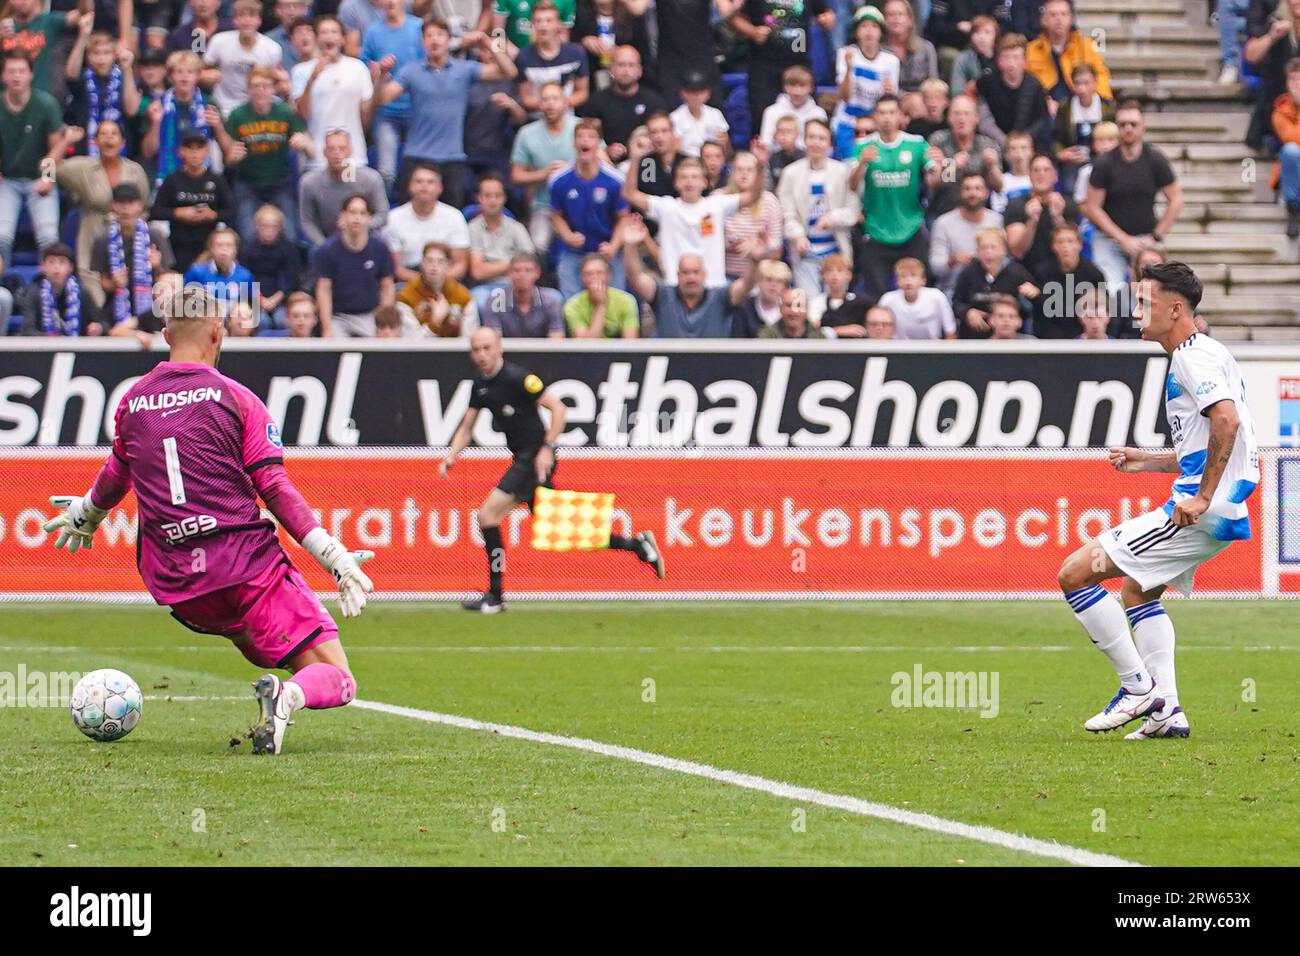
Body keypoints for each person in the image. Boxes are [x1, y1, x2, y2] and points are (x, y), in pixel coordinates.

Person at [42, 284, 375, 756]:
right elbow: (275, 488)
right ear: (218, 332)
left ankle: (274, 673)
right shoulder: (235, 397)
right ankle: (289, 698)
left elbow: (117, 474)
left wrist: (86, 514)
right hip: (244, 568)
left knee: (263, 645)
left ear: (164, 334)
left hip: (179, 585)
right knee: (337, 678)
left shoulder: (132, 401)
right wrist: (332, 555)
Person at [1056, 261, 1259, 740]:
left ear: (1175, 308)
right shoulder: (1205, 352)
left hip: (1200, 511)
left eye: (1145, 303)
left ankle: (1138, 689)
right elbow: (1207, 442)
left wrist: (1204, 495)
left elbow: (1226, 422)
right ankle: (1168, 714)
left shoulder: (1192, 358)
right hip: (1218, 508)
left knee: (1075, 574)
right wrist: (1148, 460)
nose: (1137, 312)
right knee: (1136, 591)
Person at [439, 325, 664, 613]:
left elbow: (558, 409)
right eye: (476, 349)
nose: (481, 355)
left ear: (499, 348)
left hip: (533, 459)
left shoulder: (518, 378)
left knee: (487, 515)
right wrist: (452, 455)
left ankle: (495, 596)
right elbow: (467, 425)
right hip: (522, 459)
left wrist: (548, 447)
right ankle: (637, 545)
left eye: (487, 348)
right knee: (563, 527)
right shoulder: (480, 385)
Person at [375, 17, 518, 206]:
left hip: (452, 158)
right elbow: (383, 98)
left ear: (449, 40)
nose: (434, 40)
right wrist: (382, 75)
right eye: (429, 36)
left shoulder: (464, 69)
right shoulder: (411, 71)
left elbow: (509, 71)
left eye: (440, 35)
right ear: (423, 42)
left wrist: (488, 44)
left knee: (451, 219)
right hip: (417, 156)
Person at [623, 141, 760, 289]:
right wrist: (636, 158)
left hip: (713, 287)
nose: (689, 181)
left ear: (704, 183)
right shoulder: (666, 207)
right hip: (675, 288)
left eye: (695, 177)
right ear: (676, 183)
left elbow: (753, 196)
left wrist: (761, 165)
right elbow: (629, 194)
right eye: (684, 177)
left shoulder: (717, 204)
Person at [1082, 100, 1182, 299]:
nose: (1128, 128)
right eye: (1123, 124)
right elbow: (1093, 207)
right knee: (1112, 292)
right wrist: (1123, 239)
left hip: (1147, 238)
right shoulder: (1104, 163)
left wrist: (1156, 236)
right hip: (1109, 239)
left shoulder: (1154, 159)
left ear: (1142, 126)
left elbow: (1176, 199)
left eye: (1133, 124)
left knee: (1158, 292)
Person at [55, 119, 151, 308]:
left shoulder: (135, 170)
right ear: (95, 142)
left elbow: (145, 207)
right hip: (92, 234)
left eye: (114, 134)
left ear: (123, 142)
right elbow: (47, 166)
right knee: (96, 297)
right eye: (103, 134)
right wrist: (48, 181)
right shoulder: (83, 167)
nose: (108, 139)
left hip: (129, 243)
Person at [849, 94, 937, 299]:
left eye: (891, 112)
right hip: (877, 231)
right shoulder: (863, 146)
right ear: (875, 117)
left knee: (921, 292)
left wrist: (942, 167)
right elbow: (852, 186)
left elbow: (936, 180)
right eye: (882, 113)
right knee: (876, 296)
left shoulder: (916, 144)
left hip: (911, 229)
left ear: (900, 116)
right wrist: (862, 164)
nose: (887, 117)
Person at [621, 213, 764, 338]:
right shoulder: (662, 295)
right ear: (677, 275)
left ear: (704, 275)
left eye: (696, 272)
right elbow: (636, 278)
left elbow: (746, 285)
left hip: (714, 367)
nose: (691, 277)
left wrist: (756, 260)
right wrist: (630, 246)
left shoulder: (721, 297)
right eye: (685, 272)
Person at [217, 65, 314, 241]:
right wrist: (233, 157)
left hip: (280, 182)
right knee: (247, 235)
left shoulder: (285, 113)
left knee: (290, 234)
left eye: (265, 86)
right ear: (248, 89)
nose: (260, 91)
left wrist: (305, 144)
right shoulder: (237, 115)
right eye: (255, 86)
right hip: (248, 183)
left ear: (273, 89)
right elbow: (228, 159)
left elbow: (311, 149)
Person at [549, 118, 628, 299]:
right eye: (580, 137)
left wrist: (614, 246)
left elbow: (623, 217)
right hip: (574, 252)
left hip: (606, 251)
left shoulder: (615, 180)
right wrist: (568, 236)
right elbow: (556, 215)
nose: (585, 141)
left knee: (617, 300)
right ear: (573, 143)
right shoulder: (559, 180)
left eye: (590, 137)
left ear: (598, 143)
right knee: (569, 302)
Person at [0, 51, 65, 270]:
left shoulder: (46, 104)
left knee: (48, 236)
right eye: (11, 71)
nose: (16, 76)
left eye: (21, 71)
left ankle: (44, 289)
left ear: (31, 75)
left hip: (39, 177)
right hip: (6, 179)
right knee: (1, 235)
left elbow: (55, 148)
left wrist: (48, 178)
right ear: (3, 76)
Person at [777, 119, 857, 293]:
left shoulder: (842, 171)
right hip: (806, 256)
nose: (816, 142)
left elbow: (853, 212)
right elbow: (786, 214)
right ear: (804, 140)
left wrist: (832, 218)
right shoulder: (790, 173)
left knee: (835, 307)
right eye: (811, 137)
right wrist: (797, 235)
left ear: (829, 144)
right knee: (811, 307)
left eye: (821, 138)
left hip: (837, 255)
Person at [730, 0, 834, 129]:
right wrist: (752, 31)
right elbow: (734, 17)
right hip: (764, 64)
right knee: (760, 118)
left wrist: (827, 19)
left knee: (807, 120)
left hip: (799, 64)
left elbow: (825, 13)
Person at [290, 15, 374, 173]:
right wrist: (313, 77)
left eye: (334, 32)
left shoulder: (357, 67)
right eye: (324, 32)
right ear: (316, 38)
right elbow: (302, 113)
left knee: (352, 197)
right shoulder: (301, 71)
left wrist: (379, 80)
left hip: (352, 156)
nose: (329, 36)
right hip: (317, 157)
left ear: (342, 39)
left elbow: (366, 114)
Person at [88, 183, 173, 336]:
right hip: (116, 308)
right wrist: (114, 283)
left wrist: (158, 266)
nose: (126, 208)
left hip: (152, 309)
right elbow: (103, 283)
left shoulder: (155, 235)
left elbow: (169, 280)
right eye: (121, 203)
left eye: (131, 203)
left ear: (140, 206)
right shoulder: (103, 239)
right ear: (113, 206)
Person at [311, 192, 397, 337]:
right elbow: (324, 290)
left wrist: (384, 322)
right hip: (339, 317)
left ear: (369, 217)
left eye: (362, 213)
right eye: (352, 212)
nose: (357, 218)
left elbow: (387, 286)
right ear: (342, 215)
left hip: (370, 315)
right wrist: (326, 328)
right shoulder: (327, 250)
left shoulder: (380, 248)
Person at [359, 0, 423, 192]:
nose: (390, 2)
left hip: (417, 109)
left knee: (420, 170)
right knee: (386, 172)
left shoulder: (419, 27)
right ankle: (383, 214)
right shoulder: (373, 31)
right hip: (386, 111)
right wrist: (377, 67)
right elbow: (365, 66)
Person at [152, 128, 235, 272]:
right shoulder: (172, 180)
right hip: (178, 244)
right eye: (189, 148)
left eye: (199, 148)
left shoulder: (216, 180)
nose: (195, 153)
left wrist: (213, 215)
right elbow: (156, 211)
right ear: (181, 151)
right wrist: (178, 213)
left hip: (208, 246)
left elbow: (231, 212)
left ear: (206, 151)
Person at [510, 81, 580, 252]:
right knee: (536, 248)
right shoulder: (526, 134)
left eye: (555, 98)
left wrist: (571, 171)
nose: (550, 104)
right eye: (545, 99)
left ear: (565, 102)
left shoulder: (581, 128)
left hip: (580, 202)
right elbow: (516, 176)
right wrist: (544, 174)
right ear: (539, 105)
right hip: (544, 204)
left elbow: (604, 164)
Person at [297, 129, 389, 246]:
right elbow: (306, 221)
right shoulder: (309, 183)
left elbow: (383, 215)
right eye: (331, 149)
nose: (337, 153)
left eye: (342, 148)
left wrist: (358, 224)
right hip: (327, 242)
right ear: (325, 152)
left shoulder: (370, 179)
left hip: (365, 240)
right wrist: (323, 245)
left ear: (350, 151)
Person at [831, 5, 900, 160]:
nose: (869, 31)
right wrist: (849, 69)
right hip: (847, 122)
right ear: (856, 31)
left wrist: (889, 93)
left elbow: (890, 102)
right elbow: (844, 96)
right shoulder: (846, 54)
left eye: (874, 26)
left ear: (881, 32)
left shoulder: (891, 61)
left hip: (875, 123)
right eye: (864, 26)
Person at [577, 45, 667, 163]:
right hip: (608, 164)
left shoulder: (654, 103)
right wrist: (606, 150)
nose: (626, 70)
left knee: (650, 169)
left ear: (640, 71)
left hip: (646, 163)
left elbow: (664, 138)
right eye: (621, 65)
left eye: (631, 65)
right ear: (611, 69)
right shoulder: (596, 101)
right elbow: (586, 137)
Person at [385, 164, 471, 285]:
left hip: (445, 281)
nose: (424, 186)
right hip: (408, 282)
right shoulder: (393, 218)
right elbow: (396, 268)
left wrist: (436, 281)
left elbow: (460, 265)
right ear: (410, 186)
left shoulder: (454, 217)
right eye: (419, 181)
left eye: (430, 182)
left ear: (440, 188)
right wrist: (425, 282)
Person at [1004, 151, 1080, 282]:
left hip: (1060, 273)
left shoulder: (1068, 205)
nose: (1041, 174)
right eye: (1036, 170)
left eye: (1046, 170)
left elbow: (1071, 250)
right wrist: (1031, 222)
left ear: (1055, 176)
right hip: (1026, 271)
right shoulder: (1015, 205)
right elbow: (1017, 251)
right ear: (1029, 175)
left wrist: (1058, 218)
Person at [201, 1, 285, 118]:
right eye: (241, 16)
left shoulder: (272, 48)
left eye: (251, 16)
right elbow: (201, 71)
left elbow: (277, 82)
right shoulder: (218, 41)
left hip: (259, 106)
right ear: (234, 20)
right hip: (225, 105)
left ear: (259, 20)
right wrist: (206, 76)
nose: (247, 21)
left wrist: (281, 84)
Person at [467, 172, 536, 314]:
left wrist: (490, 266)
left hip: (518, 286)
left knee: (554, 298)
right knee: (479, 302)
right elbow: (478, 272)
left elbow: (529, 267)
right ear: (479, 198)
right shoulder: (472, 228)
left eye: (497, 196)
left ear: (504, 198)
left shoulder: (517, 228)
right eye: (487, 196)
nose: (493, 201)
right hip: (485, 286)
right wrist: (512, 264)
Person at [952, 226, 1038, 337]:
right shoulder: (968, 272)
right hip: (974, 335)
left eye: (993, 247)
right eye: (983, 248)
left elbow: (1034, 302)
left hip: (1009, 336)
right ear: (977, 252)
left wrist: (1033, 292)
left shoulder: (1017, 273)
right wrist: (967, 313)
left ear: (1004, 250)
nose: (988, 252)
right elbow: (956, 302)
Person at [928, 169, 1002, 296]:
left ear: (986, 193)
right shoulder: (943, 223)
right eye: (967, 189)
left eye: (978, 188)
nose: (972, 193)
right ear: (960, 193)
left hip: (990, 289)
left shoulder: (996, 220)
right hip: (952, 289)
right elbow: (935, 268)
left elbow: (1005, 260)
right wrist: (953, 260)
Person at [1025, 0, 1112, 106]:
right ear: (1043, 20)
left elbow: (1101, 74)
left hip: (1080, 104)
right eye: (1053, 15)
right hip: (1046, 108)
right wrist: (1043, 102)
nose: (1058, 19)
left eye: (1063, 14)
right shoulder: (1031, 50)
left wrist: (1098, 99)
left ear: (1071, 19)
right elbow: (1027, 85)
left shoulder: (1086, 46)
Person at [977, 32, 1050, 152]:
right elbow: (985, 120)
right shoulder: (987, 83)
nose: (1011, 62)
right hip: (995, 143)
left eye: (1016, 57)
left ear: (1025, 62)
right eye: (1006, 57)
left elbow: (1041, 119)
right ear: (999, 61)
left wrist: (1023, 140)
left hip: (1027, 144)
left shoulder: (1034, 85)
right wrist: (1006, 142)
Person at [1031, 221, 1105, 339]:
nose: (1065, 246)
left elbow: (1103, 307)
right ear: (1053, 246)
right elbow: (1042, 312)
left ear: (1079, 245)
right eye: (1060, 242)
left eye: (1070, 241)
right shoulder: (1043, 272)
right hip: (1050, 334)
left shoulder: (1093, 274)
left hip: (1082, 334)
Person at [1050, 62, 1114, 197]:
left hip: (1102, 159)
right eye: (1077, 83)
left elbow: (1114, 134)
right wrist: (1061, 153)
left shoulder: (1107, 107)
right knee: (1069, 187)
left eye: (1086, 83)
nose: (1081, 89)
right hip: (1074, 160)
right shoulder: (1065, 107)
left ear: (1095, 83)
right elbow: (1057, 137)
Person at [515, 1, 589, 111]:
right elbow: (525, 96)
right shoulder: (523, 57)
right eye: (538, 21)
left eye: (549, 21)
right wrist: (546, 107)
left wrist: (561, 105)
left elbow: (583, 92)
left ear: (558, 24)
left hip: (567, 116)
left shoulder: (576, 53)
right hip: (536, 118)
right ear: (532, 25)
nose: (543, 26)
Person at [396, 241, 479, 337]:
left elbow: (469, 338)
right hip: (419, 351)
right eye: (429, 260)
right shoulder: (406, 297)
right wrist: (434, 324)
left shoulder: (463, 296)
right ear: (422, 263)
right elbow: (410, 342)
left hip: (455, 350)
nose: (434, 266)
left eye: (440, 261)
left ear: (448, 265)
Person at [244, 204, 304, 333]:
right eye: (264, 226)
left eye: (273, 227)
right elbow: (245, 279)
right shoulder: (248, 249)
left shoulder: (288, 249)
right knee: (262, 321)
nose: (268, 231)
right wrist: (261, 300)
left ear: (280, 228)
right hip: (254, 299)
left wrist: (275, 299)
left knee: (281, 320)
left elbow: (292, 279)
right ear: (257, 227)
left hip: (282, 299)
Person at [478, 252, 566, 338]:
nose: (522, 275)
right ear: (509, 273)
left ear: (537, 273)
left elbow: (556, 338)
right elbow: (492, 340)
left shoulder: (550, 300)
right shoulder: (496, 301)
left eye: (528, 270)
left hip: (543, 352)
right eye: (516, 270)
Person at [878, 256, 957, 339]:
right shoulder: (887, 300)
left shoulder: (937, 297)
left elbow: (950, 332)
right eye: (903, 276)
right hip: (898, 349)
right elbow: (878, 328)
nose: (908, 281)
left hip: (932, 349)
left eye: (913, 275)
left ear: (923, 280)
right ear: (897, 281)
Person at [563, 252, 640, 337]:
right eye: (589, 274)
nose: (594, 277)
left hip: (618, 350)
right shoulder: (572, 305)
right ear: (582, 278)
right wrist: (600, 305)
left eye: (599, 273)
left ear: (608, 275)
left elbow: (630, 342)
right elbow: (586, 346)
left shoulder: (626, 300)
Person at [756, 64, 828, 150]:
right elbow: (766, 144)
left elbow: (823, 145)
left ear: (811, 88)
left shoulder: (819, 113)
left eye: (802, 85)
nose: (797, 91)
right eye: (792, 85)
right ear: (784, 87)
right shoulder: (771, 112)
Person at [18, 243, 83, 335]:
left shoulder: (81, 293)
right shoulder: (33, 293)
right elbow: (27, 330)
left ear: (71, 267)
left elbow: (102, 322)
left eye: (62, 262)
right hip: (42, 347)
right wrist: (52, 340)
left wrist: (97, 327)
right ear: (42, 266)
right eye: (51, 262)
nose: (56, 267)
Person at [669, 68, 729, 158]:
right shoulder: (674, 118)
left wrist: (725, 143)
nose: (697, 96)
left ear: (708, 93)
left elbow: (727, 152)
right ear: (683, 93)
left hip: (711, 161)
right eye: (692, 92)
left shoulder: (716, 114)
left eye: (701, 91)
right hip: (686, 162)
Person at [1271, 55, 1300, 238]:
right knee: (1290, 151)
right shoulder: (1280, 109)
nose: (1297, 84)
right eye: (1293, 79)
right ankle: (1293, 210)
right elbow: (1290, 137)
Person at [809, 253, 870, 336]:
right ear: (823, 276)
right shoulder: (817, 302)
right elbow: (814, 329)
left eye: (839, 270)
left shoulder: (862, 302)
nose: (834, 275)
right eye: (829, 271)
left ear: (849, 275)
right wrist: (837, 331)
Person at [759, 286, 823, 338]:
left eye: (798, 306)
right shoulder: (768, 336)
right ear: (780, 308)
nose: (793, 311)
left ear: (807, 309)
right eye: (789, 305)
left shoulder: (818, 337)